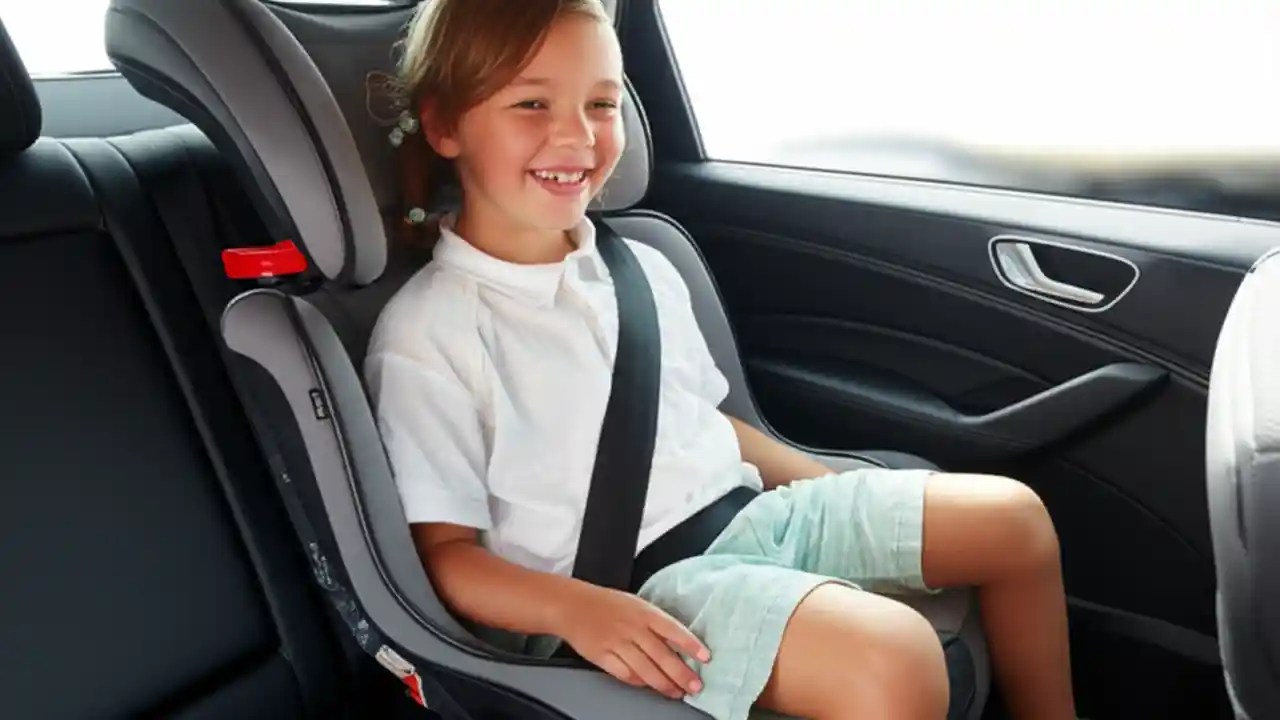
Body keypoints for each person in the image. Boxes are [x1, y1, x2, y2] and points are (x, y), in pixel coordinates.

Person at [364, 1, 1079, 718]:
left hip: (753, 518)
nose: (577, 135)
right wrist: (575, 611)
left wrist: (834, 489)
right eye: (531, 103)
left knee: (1014, 521)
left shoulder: (641, 266)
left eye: (602, 103)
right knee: (894, 662)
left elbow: (705, 424)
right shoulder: (431, 332)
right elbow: (445, 554)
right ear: (444, 124)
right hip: (638, 590)